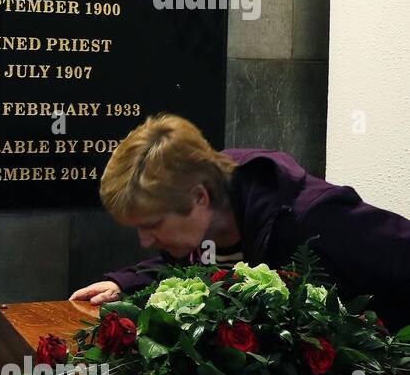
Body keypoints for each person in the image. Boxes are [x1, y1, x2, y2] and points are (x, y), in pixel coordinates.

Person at [69, 113, 410, 334]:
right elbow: (183, 266)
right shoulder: (204, 224)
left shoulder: (313, 217)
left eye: (153, 225)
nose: (145, 240)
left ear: (199, 198)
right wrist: (127, 282)